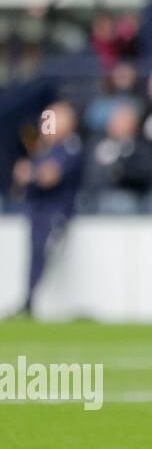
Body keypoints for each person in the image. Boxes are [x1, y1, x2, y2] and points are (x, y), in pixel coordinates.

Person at [11, 101, 82, 314]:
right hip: (38, 208)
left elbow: (49, 176)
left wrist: (30, 173)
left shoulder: (69, 146)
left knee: (42, 253)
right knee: (34, 254)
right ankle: (29, 300)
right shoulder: (44, 149)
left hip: (56, 211)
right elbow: (22, 177)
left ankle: (31, 300)